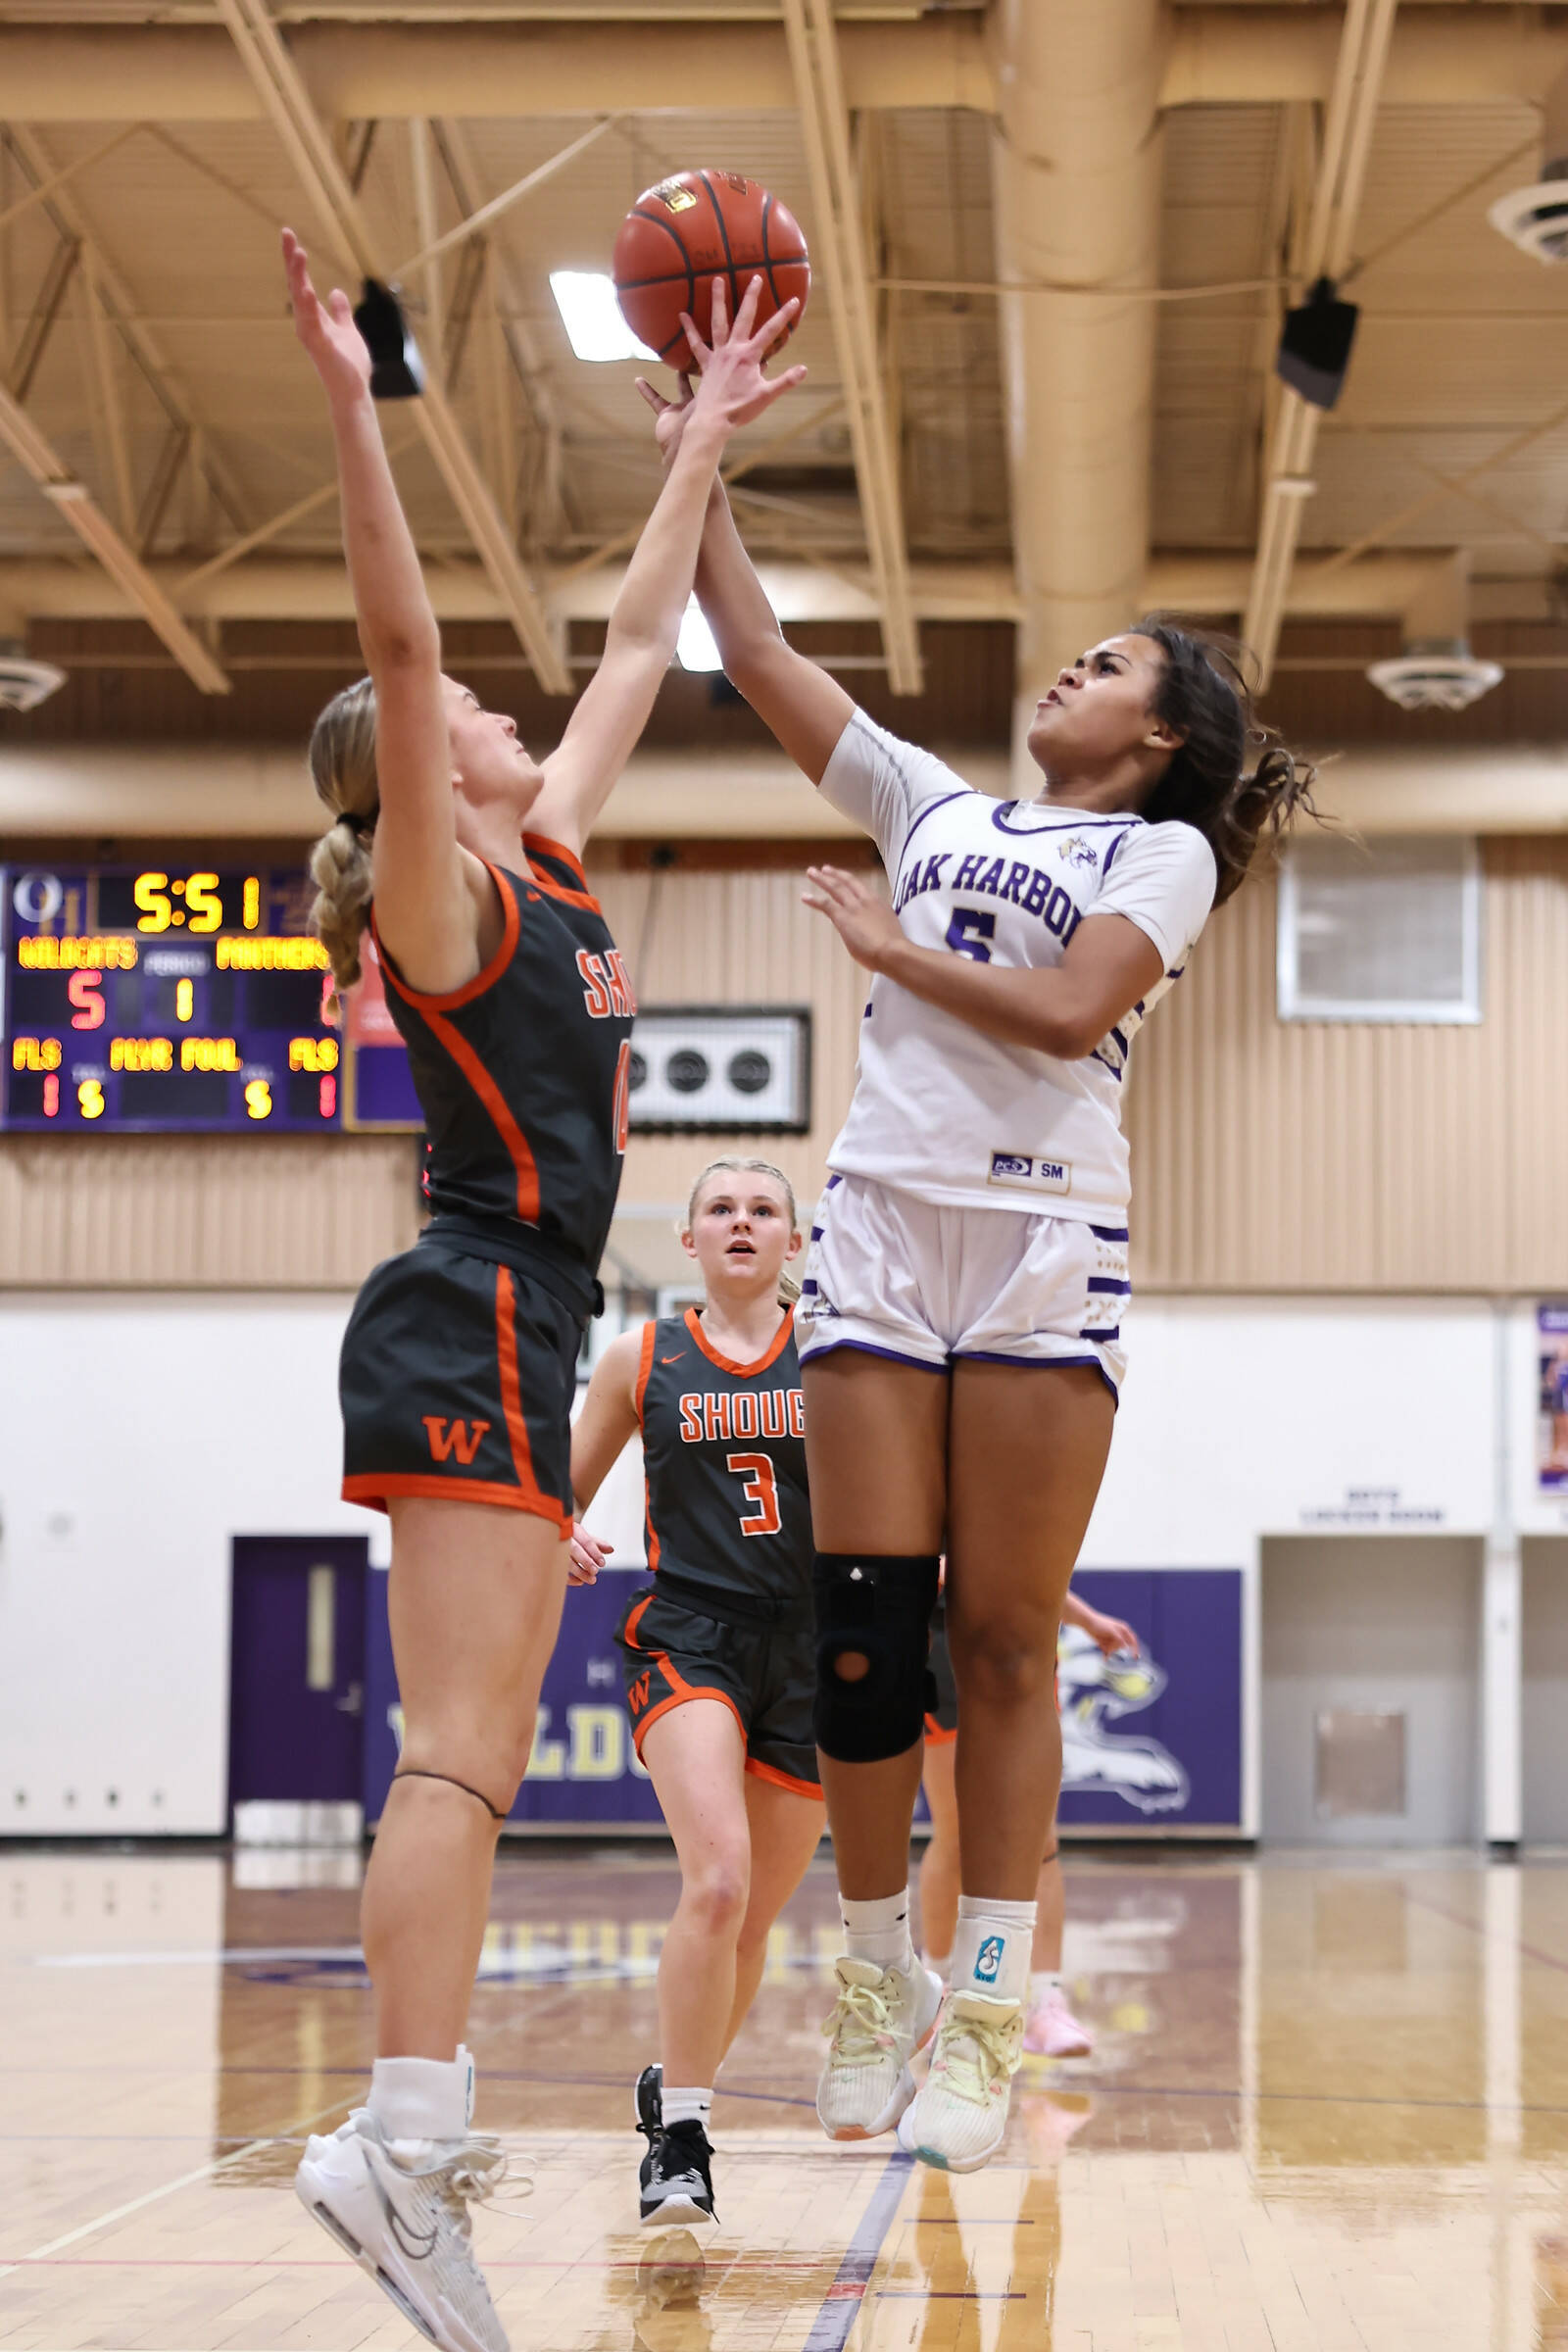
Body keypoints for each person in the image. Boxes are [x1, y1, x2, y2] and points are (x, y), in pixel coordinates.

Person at [638, 278, 1315, 2175]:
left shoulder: (1157, 853)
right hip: (884, 1222)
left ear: (1166, 731)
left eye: (1107, 666)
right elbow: (753, 644)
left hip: (1041, 1240)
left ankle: (989, 2015)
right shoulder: (929, 801)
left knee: (1002, 1647)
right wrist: (704, 449)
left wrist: (887, 948)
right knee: (865, 1636)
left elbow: (1074, 1009)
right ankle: (869, 1987)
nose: (1066, 676)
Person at [279, 230, 804, 2352]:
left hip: (513, 1313)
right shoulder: (435, 878)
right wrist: (350, 407)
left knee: (471, 1755)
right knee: (461, 1757)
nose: (500, 707)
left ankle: (405, 2137)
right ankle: (398, 2147)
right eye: (455, 718)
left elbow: (633, 644)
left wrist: (691, 440)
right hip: (476, 1301)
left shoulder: (560, 852)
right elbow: (407, 653)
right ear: (398, 782)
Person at [568, 1159, 821, 2229]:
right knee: (716, 1881)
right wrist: (554, 1531)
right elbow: (555, 1487)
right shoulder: (643, 1355)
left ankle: (670, 2081)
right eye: (720, 1208)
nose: (741, 1223)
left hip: (813, 1648)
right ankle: (682, 2141)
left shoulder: (836, 1352)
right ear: (687, 1239)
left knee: (753, 1919)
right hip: (690, 1635)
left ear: (794, 1244)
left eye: (763, 1210)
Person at [920, 1590, 1139, 2057]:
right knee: (957, 1837)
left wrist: (1087, 1618)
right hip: (941, 1642)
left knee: (1039, 1839)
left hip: (1023, 1644)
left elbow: (1028, 1564)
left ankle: (1045, 2002)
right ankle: (937, 1995)